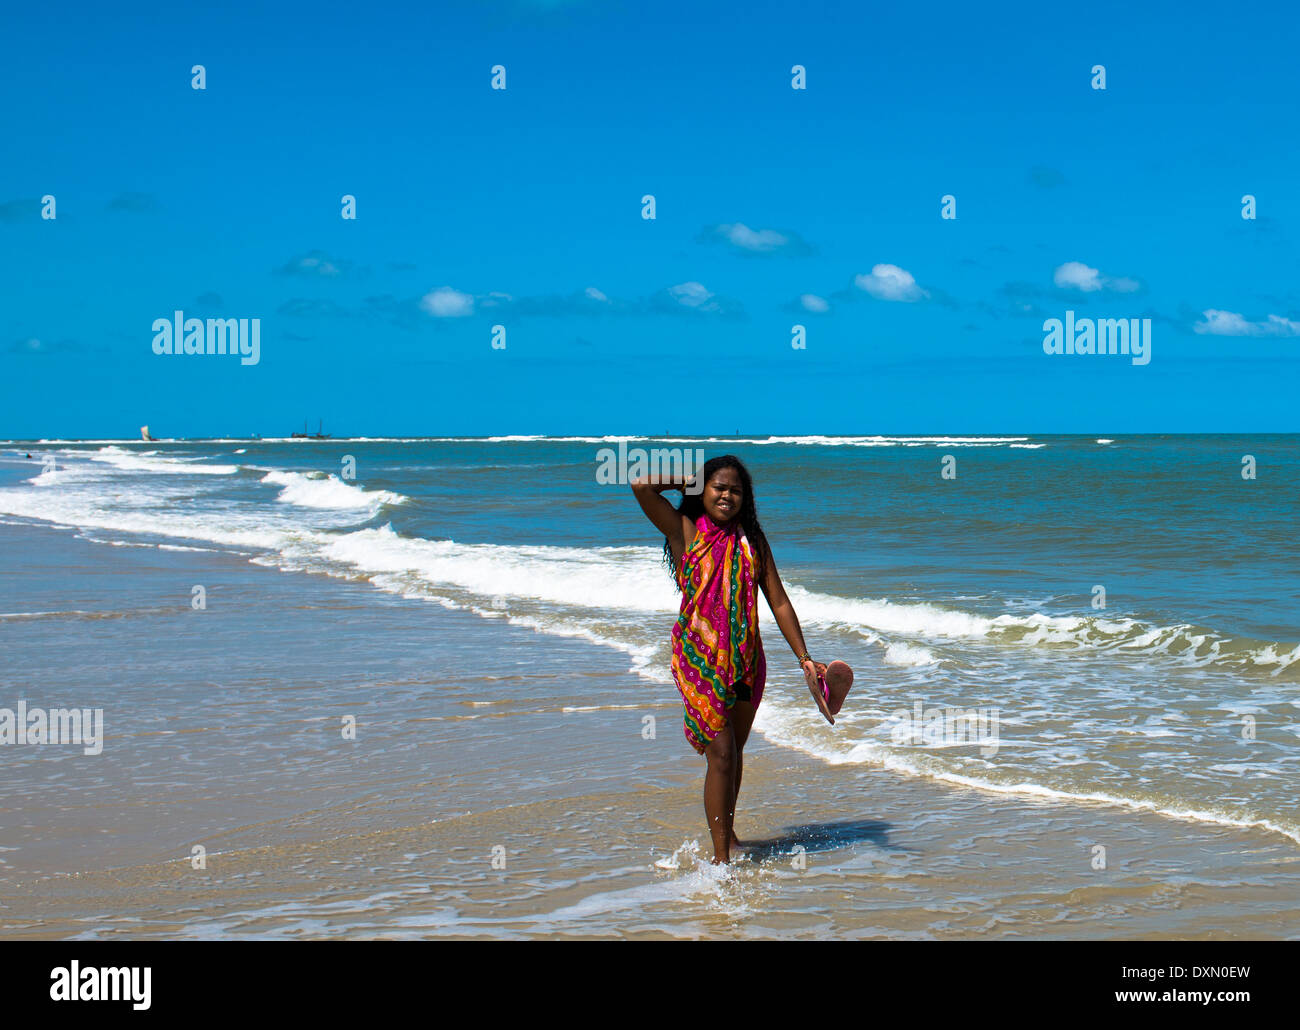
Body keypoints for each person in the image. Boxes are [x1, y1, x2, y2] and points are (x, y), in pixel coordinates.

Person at [631, 454, 831, 864]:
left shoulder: (752, 541)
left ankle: (728, 838)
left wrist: (805, 658)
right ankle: (722, 863)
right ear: (701, 490)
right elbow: (640, 485)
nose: (727, 495)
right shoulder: (684, 530)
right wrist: (690, 479)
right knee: (720, 753)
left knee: (734, 755)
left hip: (745, 659)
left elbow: (777, 599)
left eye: (735, 490)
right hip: (699, 659)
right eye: (719, 487)